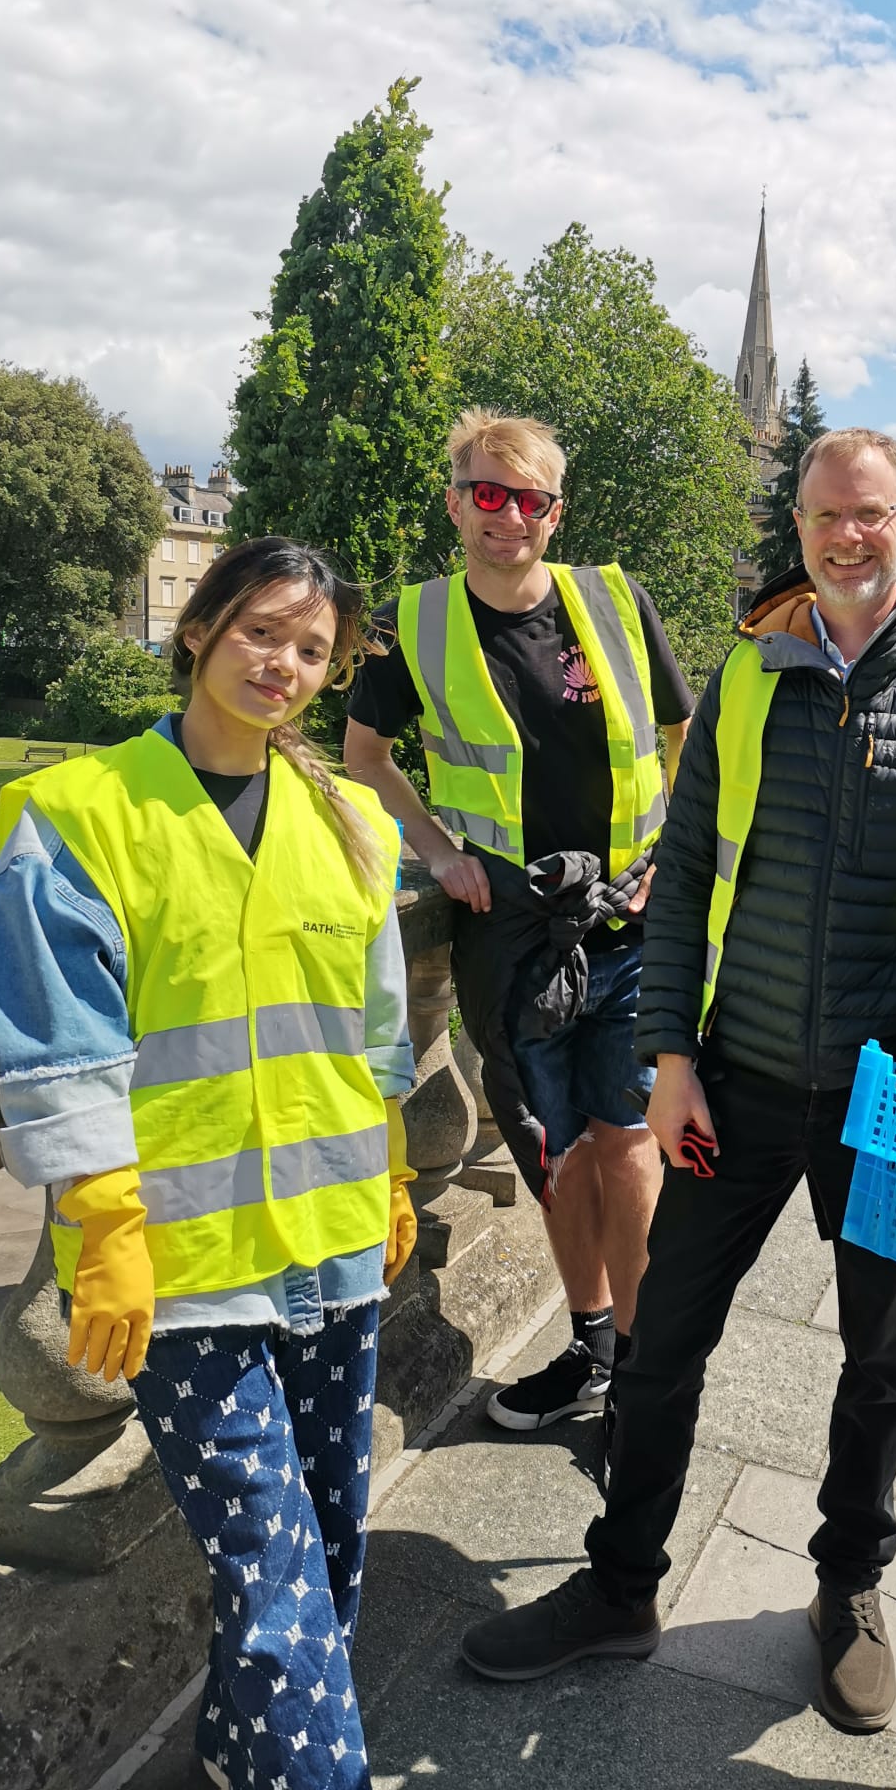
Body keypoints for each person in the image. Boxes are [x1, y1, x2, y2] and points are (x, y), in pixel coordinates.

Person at [460, 427, 896, 1731]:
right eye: (825, 516)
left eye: (872, 514)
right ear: (800, 528)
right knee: (662, 1343)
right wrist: (669, 1056)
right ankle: (622, 1584)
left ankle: (849, 1587)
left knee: (879, 1362)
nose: (848, 536)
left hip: (891, 1101)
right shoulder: (745, 678)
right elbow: (684, 882)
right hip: (735, 1079)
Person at [0, 538, 418, 1790]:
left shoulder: (352, 822)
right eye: (261, 631)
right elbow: (59, 1046)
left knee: (328, 1544)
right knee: (273, 1574)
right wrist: (107, 1224)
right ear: (198, 628)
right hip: (180, 1271)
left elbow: (378, 1034)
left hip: (335, 1247)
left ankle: (234, 1746)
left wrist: (394, 1168)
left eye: (312, 648)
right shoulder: (82, 812)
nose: (283, 662)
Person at [344, 409, 694, 1442]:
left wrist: (670, 857)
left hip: (627, 921)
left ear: (556, 511)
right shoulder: (412, 621)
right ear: (456, 503)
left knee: (628, 1148)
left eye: (528, 498)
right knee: (555, 1153)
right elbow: (364, 754)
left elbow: (687, 739)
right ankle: (592, 1347)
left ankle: (640, 1364)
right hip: (510, 928)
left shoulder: (616, 600)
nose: (507, 515)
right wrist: (437, 849)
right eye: (486, 494)